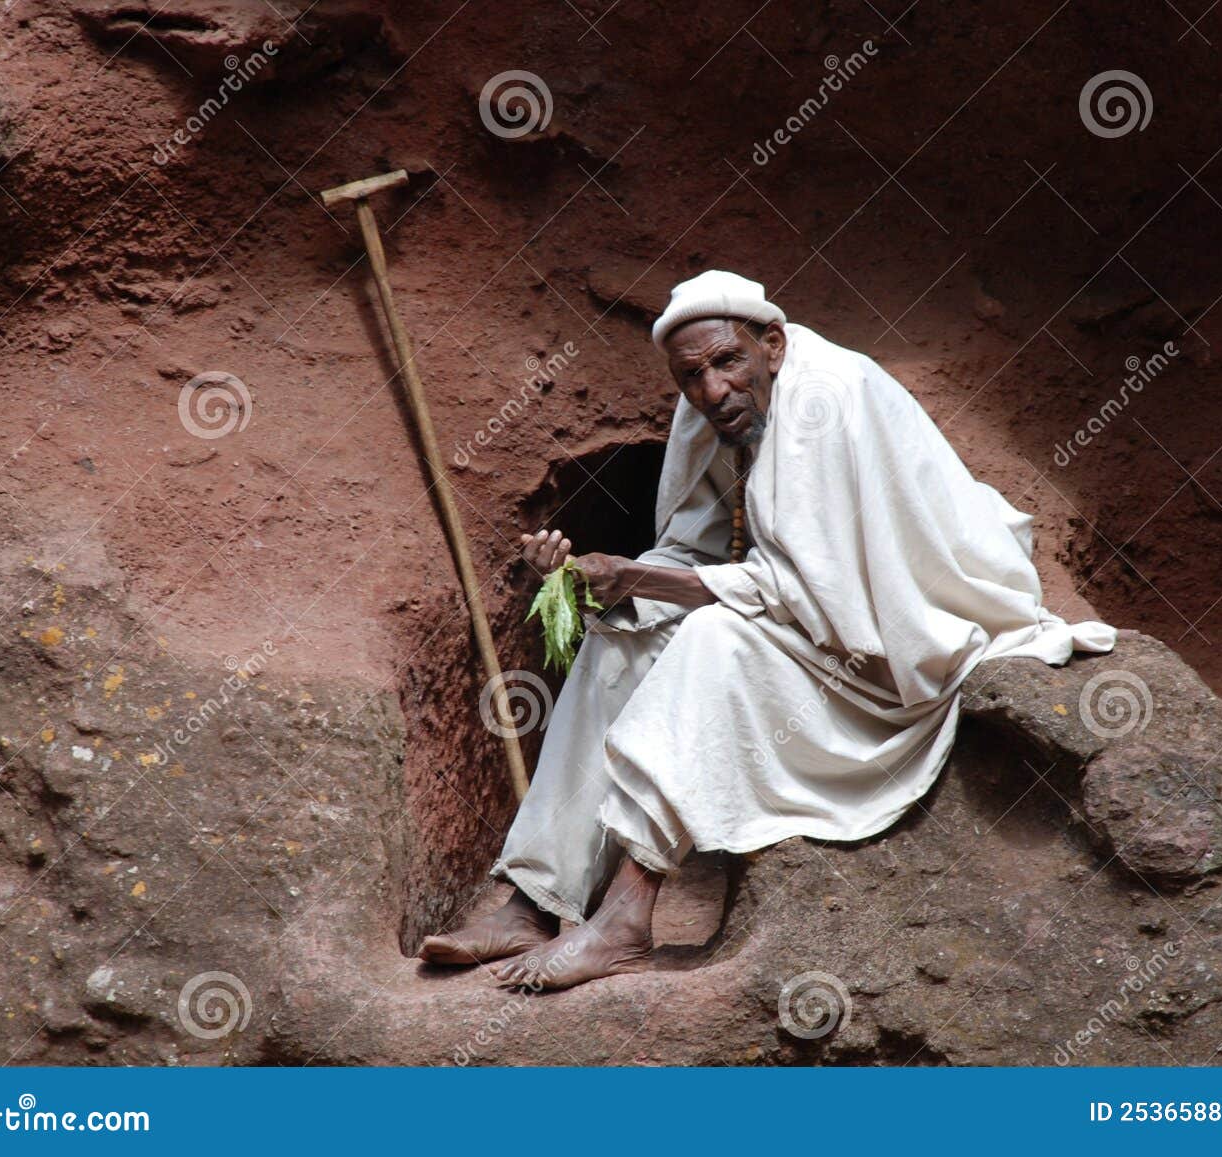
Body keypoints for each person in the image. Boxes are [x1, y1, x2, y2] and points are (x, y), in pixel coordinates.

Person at [420, 270, 1116, 990]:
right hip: (808, 627)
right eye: (691, 376)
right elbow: (696, 552)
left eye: (728, 362)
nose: (712, 389)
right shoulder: (713, 416)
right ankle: (532, 902)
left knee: (712, 639)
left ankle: (627, 915)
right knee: (620, 638)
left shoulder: (827, 399)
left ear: (772, 345)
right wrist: (600, 580)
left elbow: (826, 596)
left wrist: (643, 579)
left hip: (883, 657)